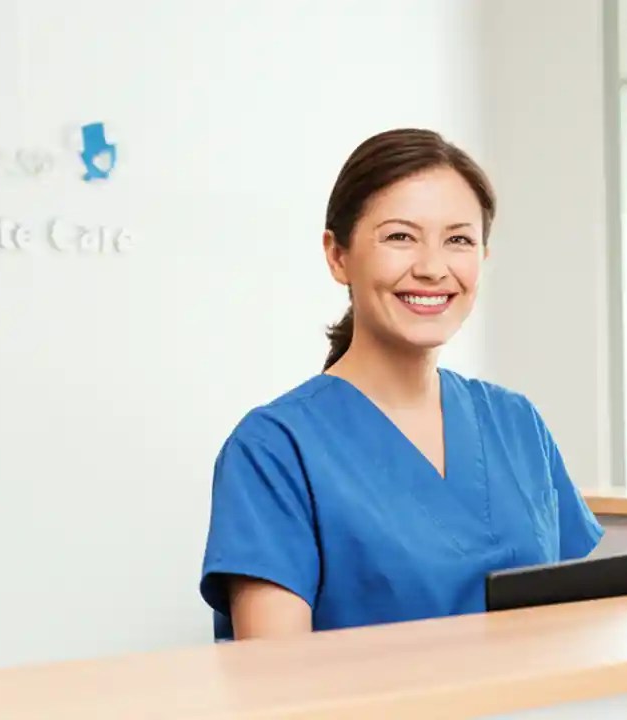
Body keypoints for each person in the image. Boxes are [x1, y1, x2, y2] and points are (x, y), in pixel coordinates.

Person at [199, 128, 605, 641]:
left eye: (458, 240)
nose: (433, 268)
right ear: (337, 255)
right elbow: (277, 687)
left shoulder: (516, 423)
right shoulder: (273, 449)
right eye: (399, 237)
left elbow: (578, 626)